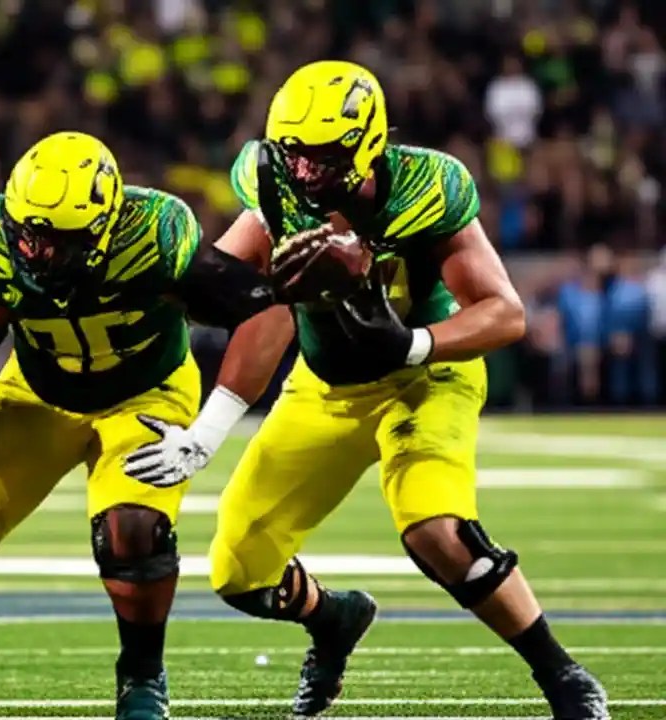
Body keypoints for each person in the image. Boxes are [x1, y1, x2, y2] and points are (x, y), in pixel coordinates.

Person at [120, 61, 609, 719]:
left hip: (425, 377)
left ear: (367, 143)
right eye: (292, 151)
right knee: (238, 572)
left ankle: (564, 676)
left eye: (321, 154)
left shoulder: (425, 188)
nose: (301, 169)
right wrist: (207, 430)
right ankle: (334, 621)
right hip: (325, 386)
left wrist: (412, 342)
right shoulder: (271, 185)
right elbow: (245, 301)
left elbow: (505, 311)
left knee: (436, 532)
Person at [0, 132, 283, 720]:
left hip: (148, 389)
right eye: (27, 233)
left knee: (134, 532)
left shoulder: (155, 233)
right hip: (38, 391)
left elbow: (257, 305)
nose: (34, 251)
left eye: (54, 238)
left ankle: (143, 682)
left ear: (103, 229)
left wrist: (211, 426)